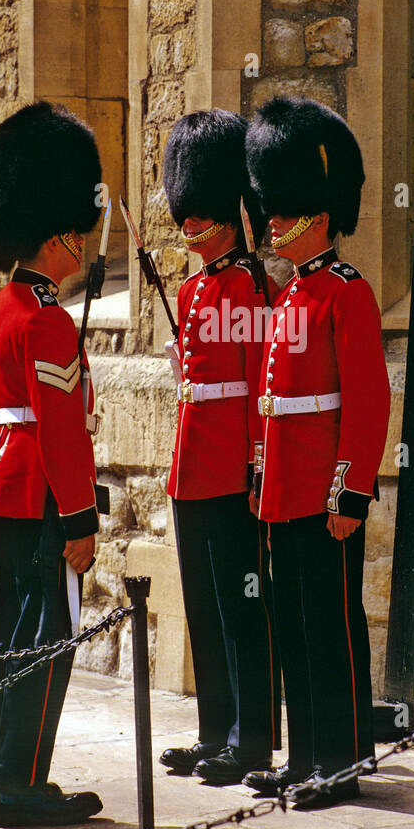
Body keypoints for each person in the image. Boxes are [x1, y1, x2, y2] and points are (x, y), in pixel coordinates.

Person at [0, 101, 105, 828]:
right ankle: (22, 784)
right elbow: (63, 430)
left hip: (3, 491)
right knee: (47, 637)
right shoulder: (46, 320)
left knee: (7, 630)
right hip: (44, 499)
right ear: (60, 237)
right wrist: (80, 518)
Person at [243, 96, 391, 808]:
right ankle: (302, 755)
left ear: (320, 215)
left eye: (285, 210)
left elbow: (366, 403)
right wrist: (262, 478)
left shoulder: (346, 295)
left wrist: (350, 491)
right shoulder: (290, 297)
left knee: (330, 629)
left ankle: (338, 762)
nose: (271, 222)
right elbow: (275, 404)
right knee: (294, 631)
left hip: (323, 493)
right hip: (283, 492)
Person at [158, 109, 281, 785]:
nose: (188, 223)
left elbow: (262, 383)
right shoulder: (192, 287)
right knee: (204, 607)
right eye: (186, 211)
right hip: (191, 468)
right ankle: (214, 733)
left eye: (199, 211)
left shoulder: (250, 285)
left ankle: (253, 740)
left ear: (228, 212)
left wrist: (258, 467)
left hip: (232, 467)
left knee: (242, 608)